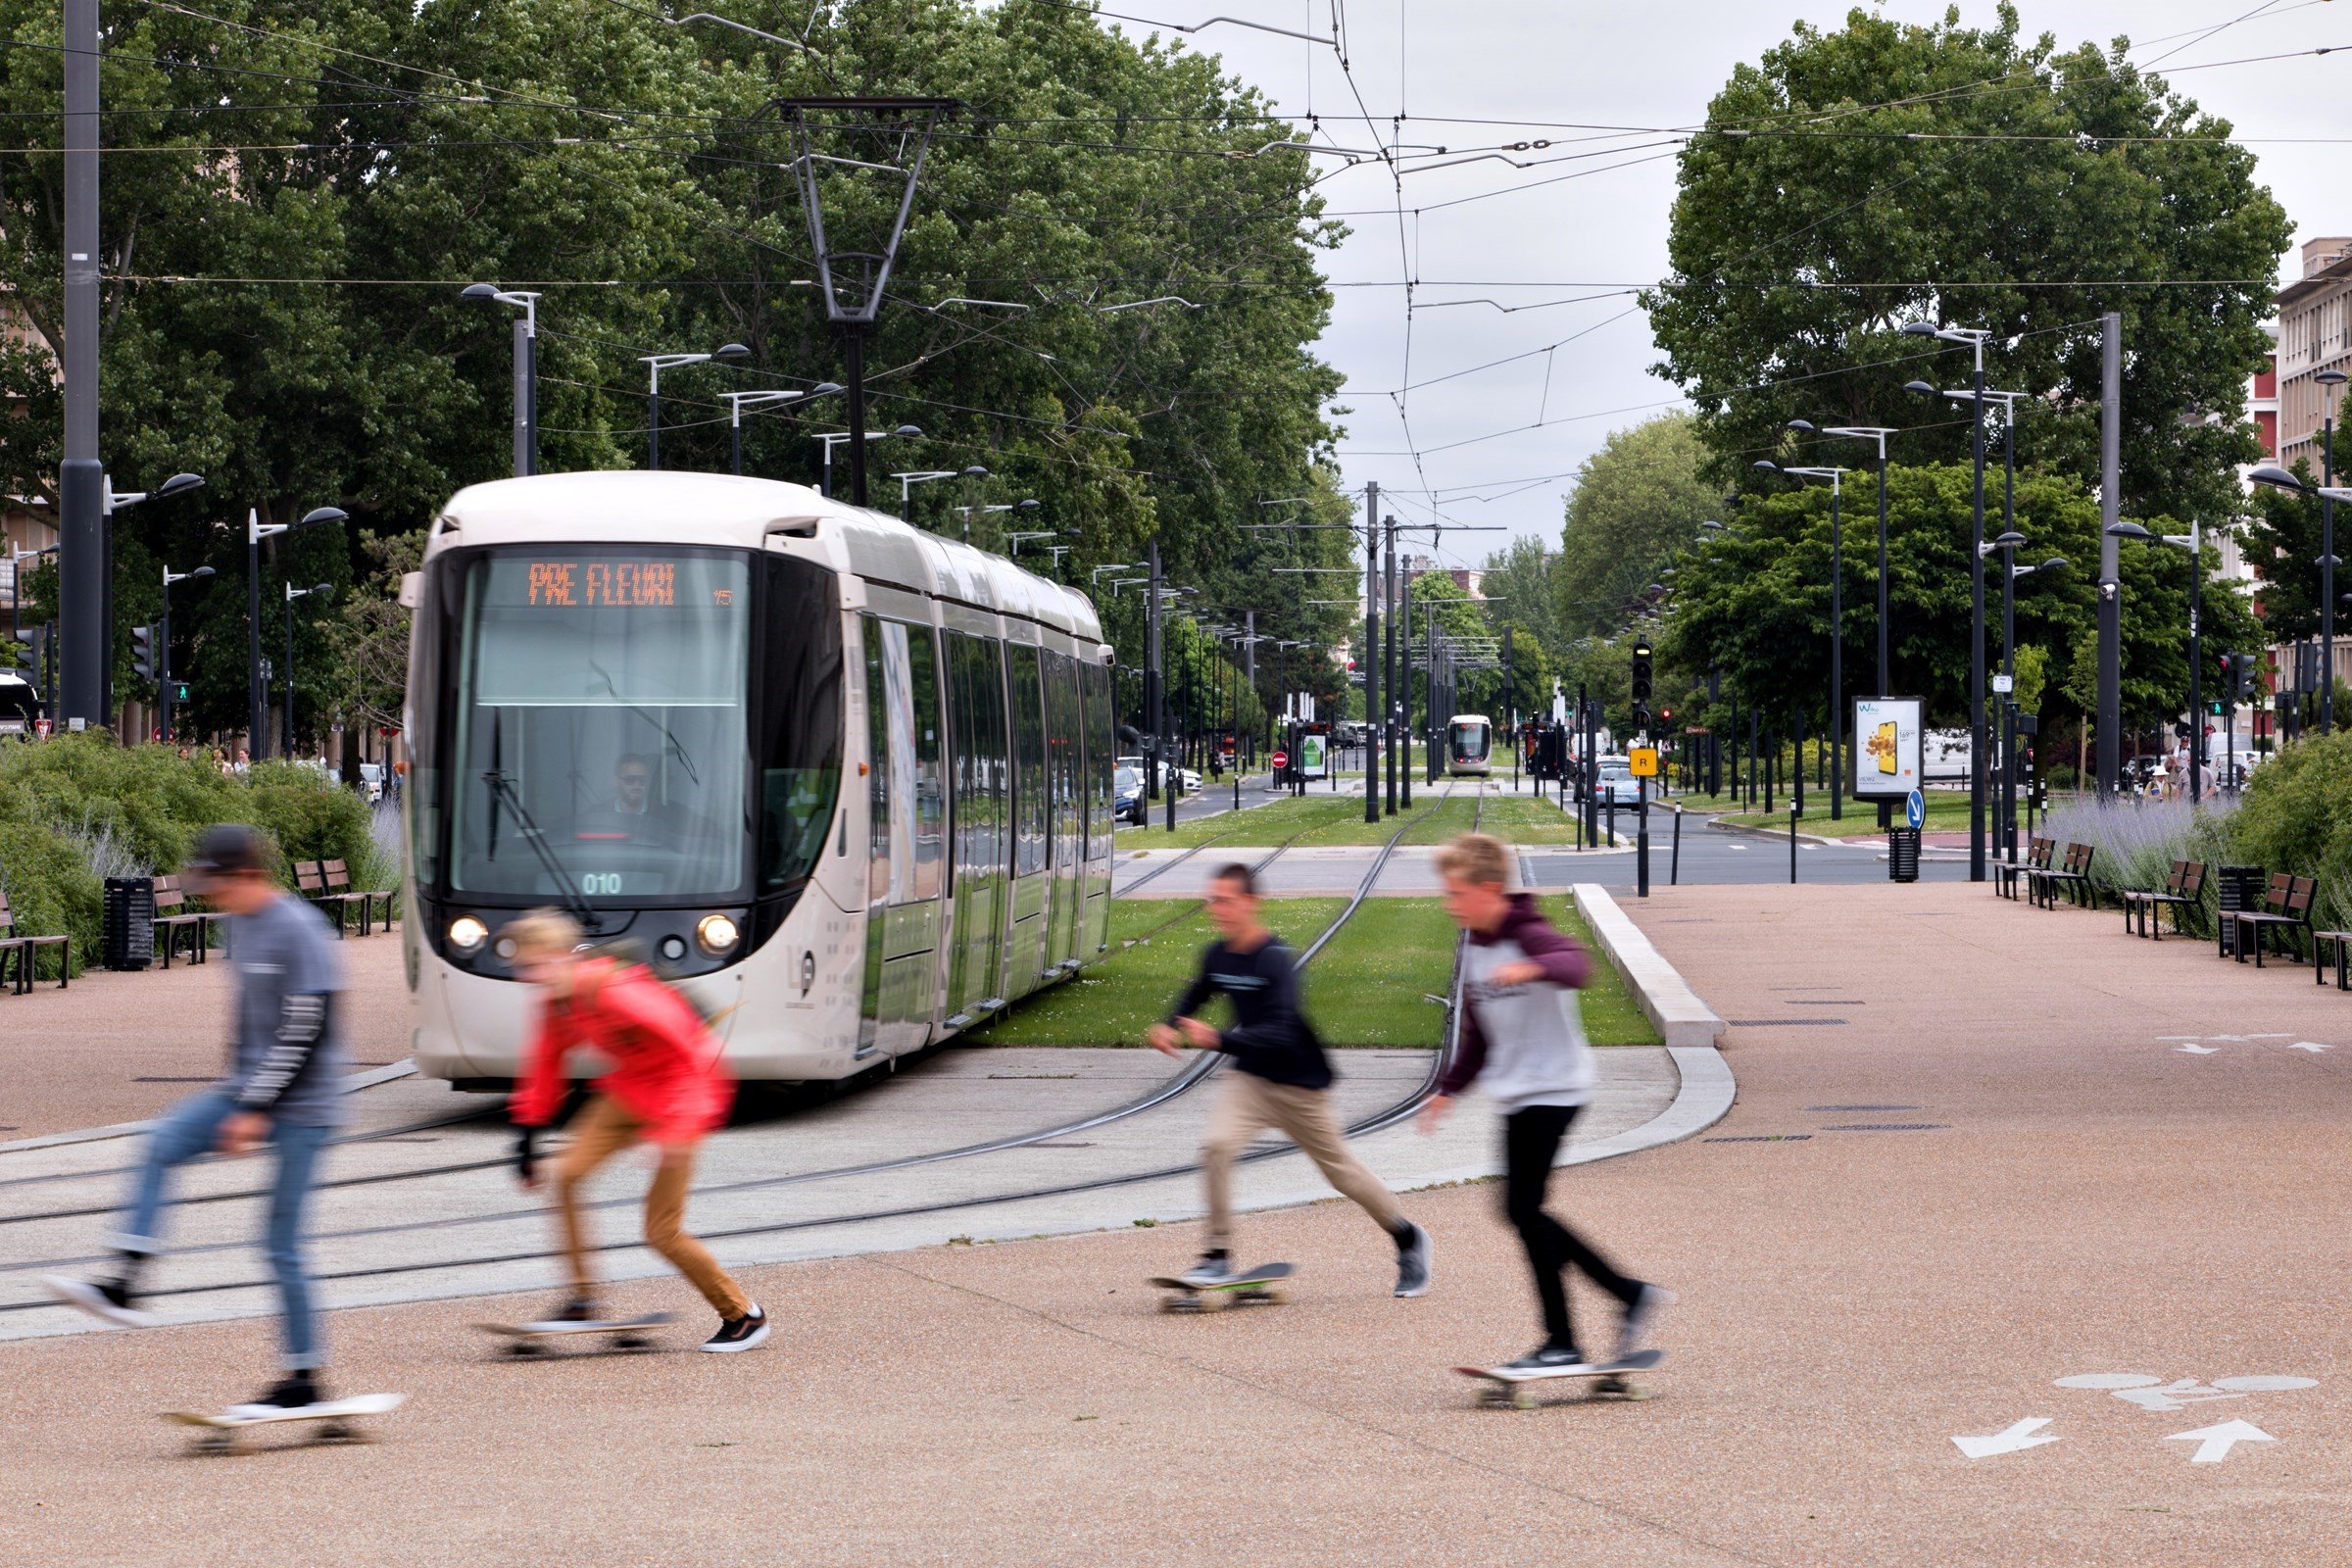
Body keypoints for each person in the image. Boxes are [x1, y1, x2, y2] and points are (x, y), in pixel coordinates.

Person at [44, 823, 350, 1413]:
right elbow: (247, 1023)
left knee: (280, 1244)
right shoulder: (238, 926)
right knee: (161, 1141)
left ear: (247, 876)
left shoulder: (301, 929)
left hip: (307, 1106)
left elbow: (305, 1030)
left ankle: (303, 1379)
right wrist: (237, 1096)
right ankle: (125, 1280)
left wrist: (254, 1111)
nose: (210, 895)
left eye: (217, 883)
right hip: (248, 1091)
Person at [1420, 833, 1669, 1373]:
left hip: (1556, 1088)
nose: (1449, 903)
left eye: (1457, 893)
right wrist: (1448, 1090)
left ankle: (1565, 1338)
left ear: (1490, 890)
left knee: (1522, 1209)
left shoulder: (1528, 932)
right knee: (1523, 1210)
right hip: (1519, 1091)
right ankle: (1624, 1297)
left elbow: (1574, 966)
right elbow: (1479, 1035)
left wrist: (1533, 968)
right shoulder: (1472, 945)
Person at [1150, 862, 1431, 1296]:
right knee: (1217, 1146)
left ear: (1251, 902)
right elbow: (1199, 992)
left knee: (1341, 1174)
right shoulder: (1216, 954)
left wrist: (1220, 1039)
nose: (1216, 908)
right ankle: (1217, 1256)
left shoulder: (1275, 960)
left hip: (1298, 1083)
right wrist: (1170, 1023)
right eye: (1213, 899)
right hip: (1251, 1081)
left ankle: (1407, 1237)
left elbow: (1281, 1031)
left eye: (1225, 900)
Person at [505, 909, 768, 1351]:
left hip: (681, 1095)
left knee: (661, 1230)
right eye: (524, 968)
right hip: (629, 1092)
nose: (528, 977)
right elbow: (545, 1064)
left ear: (562, 957)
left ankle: (743, 1314)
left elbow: (694, 1053)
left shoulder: (618, 992)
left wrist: (679, 1129)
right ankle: (582, 1298)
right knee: (565, 1176)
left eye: (535, 965)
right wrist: (527, 1133)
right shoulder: (558, 1002)